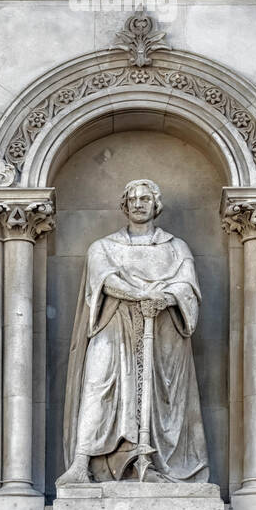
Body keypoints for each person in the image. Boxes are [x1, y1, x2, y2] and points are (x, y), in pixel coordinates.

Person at [57, 178, 210, 486]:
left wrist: (166, 298)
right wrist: (142, 296)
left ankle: (151, 464)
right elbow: (105, 281)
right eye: (133, 199)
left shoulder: (175, 248)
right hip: (114, 327)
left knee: (158, 396)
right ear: (124, 205)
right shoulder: (103, 247)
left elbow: (187, 286)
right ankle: (82, 463)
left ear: (156, 205)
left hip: (163, 331)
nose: (139, 203)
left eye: (145, 198)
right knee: (99, 387)